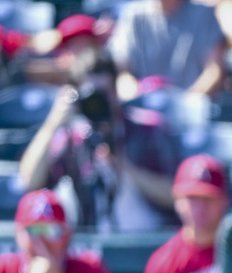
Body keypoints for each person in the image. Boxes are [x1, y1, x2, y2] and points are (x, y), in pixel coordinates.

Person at [18, 28, 178, 232]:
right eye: (91, 96)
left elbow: (177, 195)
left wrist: (125, 169)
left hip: (143, 241)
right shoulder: (70, 138)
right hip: (86, 242)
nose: (98, 103)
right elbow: (29, 181)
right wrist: (54, 121)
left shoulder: (148, 129)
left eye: (104, 93)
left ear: (116, 91)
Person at [108, 0, 228, 100]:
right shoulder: (134, 16)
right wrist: (136, 98)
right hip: (144, 117)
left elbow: (214, 71)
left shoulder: (204, 15)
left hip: (192, 117)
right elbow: (124, 74)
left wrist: (184, 104)